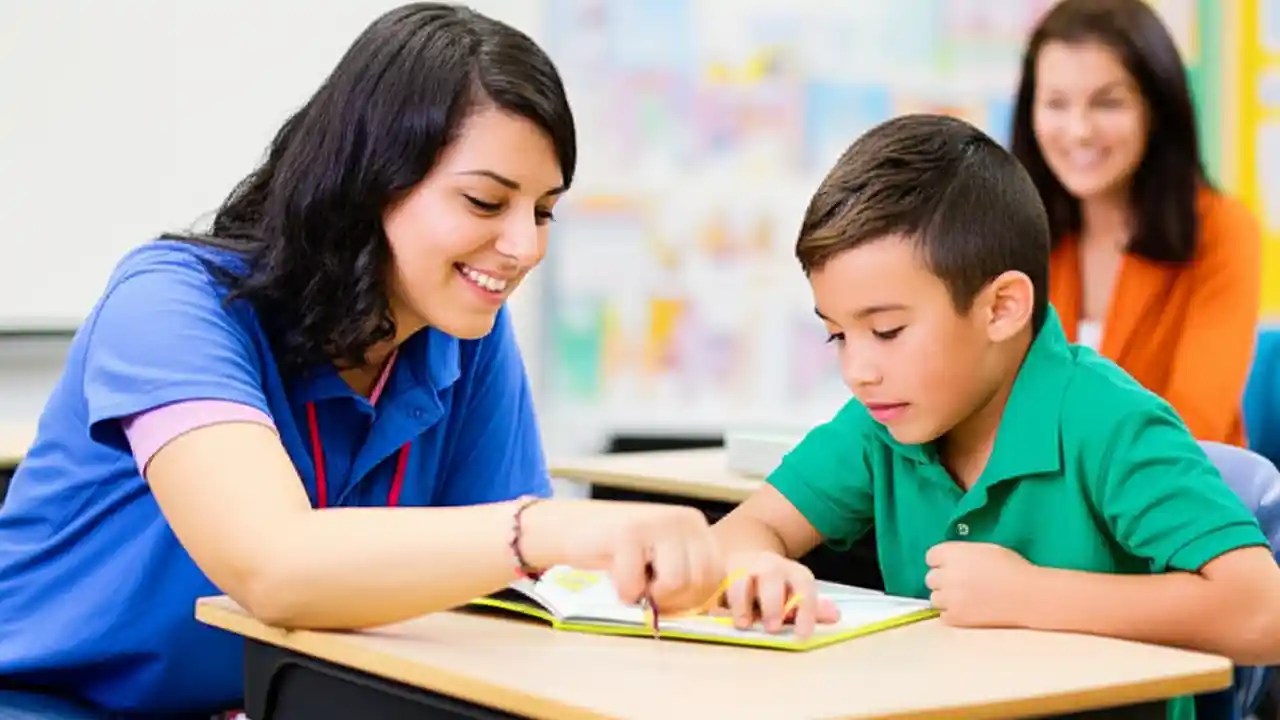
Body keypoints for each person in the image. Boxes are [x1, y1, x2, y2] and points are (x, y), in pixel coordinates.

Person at [0, 4, 723, 717]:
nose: (526, 248)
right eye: (483, 202)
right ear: (369, 180)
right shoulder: (168, 303)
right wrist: (551, 531)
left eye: (542, 211)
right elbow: (276, 567)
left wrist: (718, 584)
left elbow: (514, 594)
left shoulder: (464, 336)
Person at [683, 114, 1280, 720]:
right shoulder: (881, 424)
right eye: (839, 335)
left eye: (887, 331)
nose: (858, 369)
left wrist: (1033, 596)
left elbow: (1265, 612)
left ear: (1002, 308)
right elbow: (746, 529)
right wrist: (756, 564)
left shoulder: (1110, 423)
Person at [1010, 0, 1262, 445]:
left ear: (1155, 109)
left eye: (1107, 103)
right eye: (1056, 103)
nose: (1079, 130)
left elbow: (1191, 427)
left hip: (1172, 500)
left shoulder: (1223, 232)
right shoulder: (1012, 232)